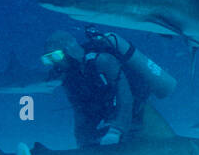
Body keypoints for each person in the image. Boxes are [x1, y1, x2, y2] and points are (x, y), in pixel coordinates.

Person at [41, 26, 175, 148]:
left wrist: (116, 129)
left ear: (70, 50)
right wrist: (82, 139)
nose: (54, 63)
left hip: (134, 108)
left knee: (134, 144)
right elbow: (79, 109)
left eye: (56, 56)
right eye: (48, 59)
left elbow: (125, 97)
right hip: (104, 110)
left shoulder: (103, 61)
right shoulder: (68, 77)